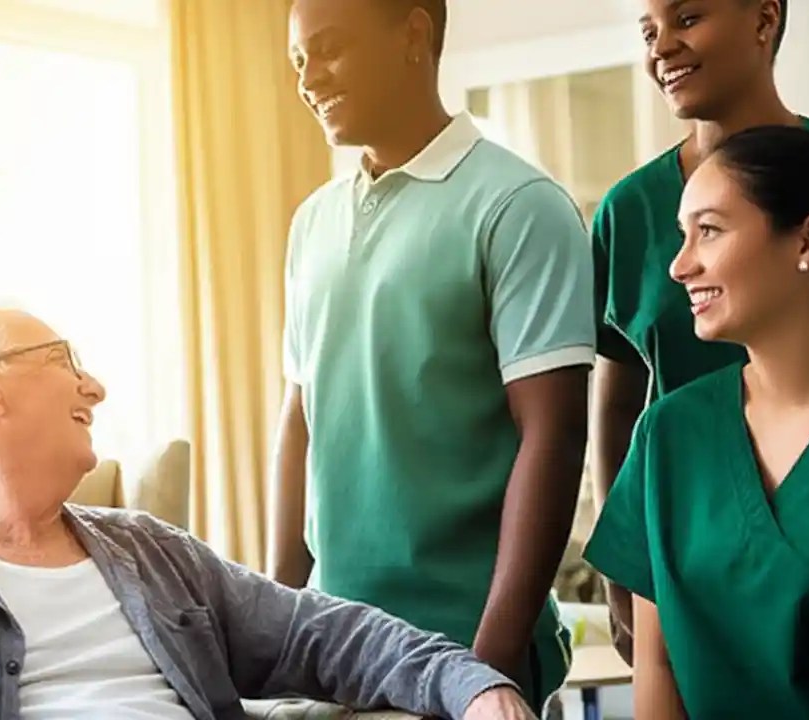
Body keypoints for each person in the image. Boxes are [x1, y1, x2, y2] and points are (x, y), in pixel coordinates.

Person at [0, 305, 539, 720]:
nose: (94, 389)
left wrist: (469, 685)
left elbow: (318, 632)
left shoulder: (150, 551)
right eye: (67, 364)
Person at [271, 0, 595, 710]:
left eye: (328, 50)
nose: (309, 78)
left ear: (414, 34)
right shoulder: (312, 222)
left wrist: (487, 665)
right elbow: (299, 421)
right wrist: (277, 621)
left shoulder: (520, 205)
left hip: (467, 644)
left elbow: (555, 433)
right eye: (299, 60)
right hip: (336, 643)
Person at [589, 0, 809, 661]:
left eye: (688, 18)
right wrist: (622, 565)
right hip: (686, 560)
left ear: (764, 19)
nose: (662, 46)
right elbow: (618, 393)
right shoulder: (627, 211)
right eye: (648, 30)